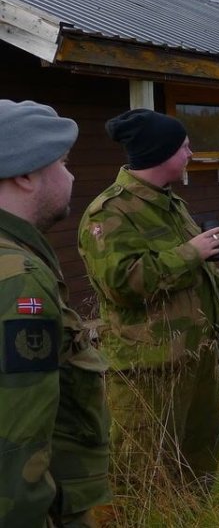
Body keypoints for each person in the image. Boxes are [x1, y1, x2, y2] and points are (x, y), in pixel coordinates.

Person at [77, 109, 219, 490]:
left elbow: (197, 266)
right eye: (185, 147)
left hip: (195, 352)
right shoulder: (110, 213)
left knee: (199, 449)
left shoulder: (172, 202)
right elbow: (120, 284)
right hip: (149, 365)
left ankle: (196, 514)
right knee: (141, 466)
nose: (191, 153)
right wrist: (191, 252)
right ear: (161, 152)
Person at [0, 100, 111, 527]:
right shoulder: (18, 278)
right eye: (63, 162)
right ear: (25, 175)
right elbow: (14, 452)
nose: (72, 176)